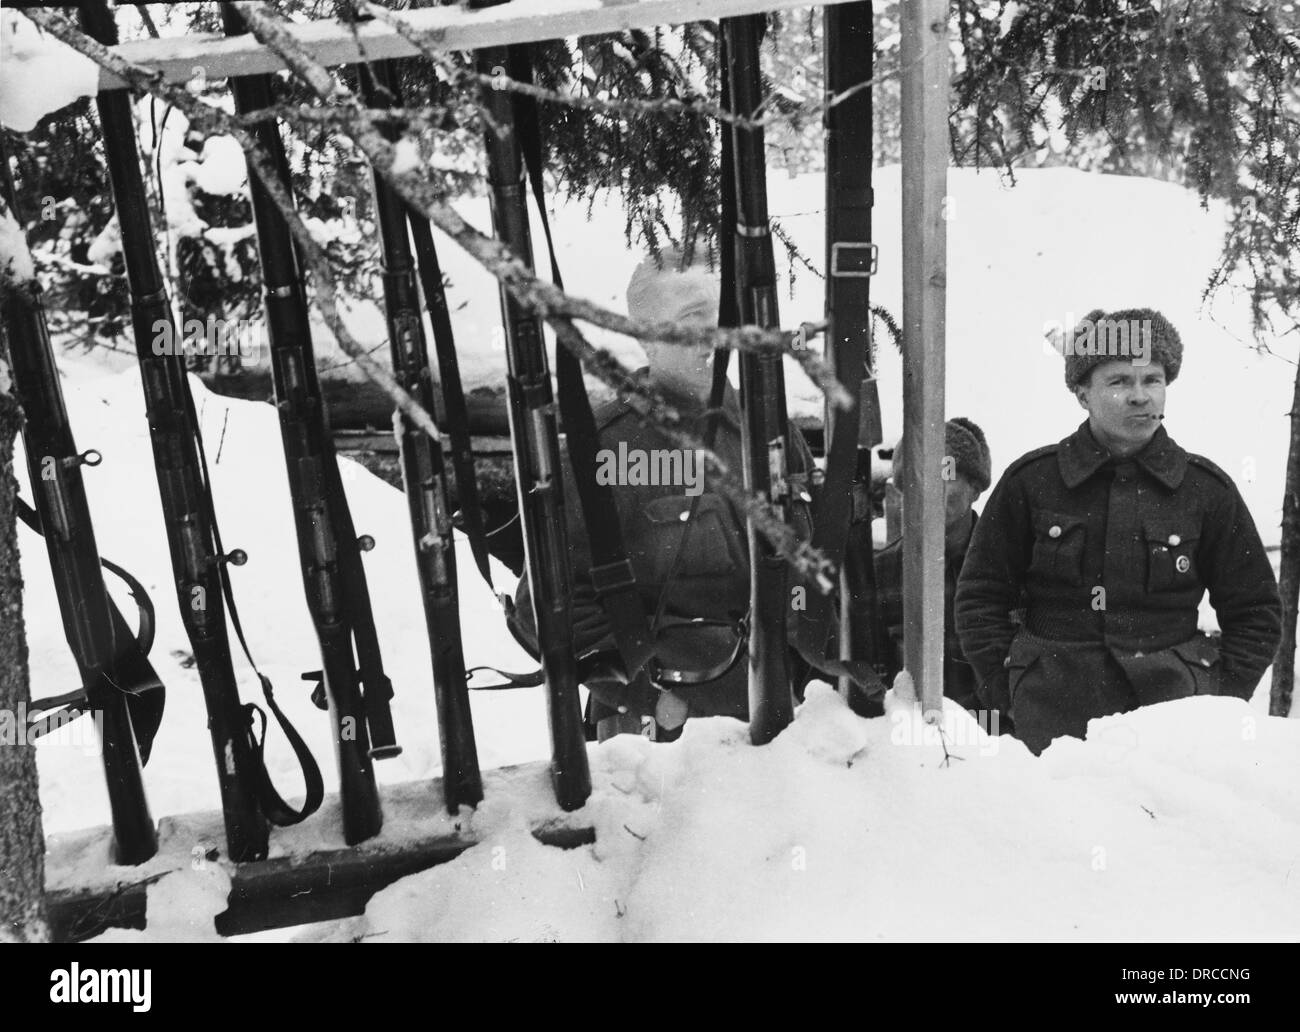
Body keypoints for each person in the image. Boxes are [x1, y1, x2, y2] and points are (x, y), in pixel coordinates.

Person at [506, 248, 825, 741]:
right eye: (690, 321)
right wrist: (650, 695)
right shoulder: (607, 449)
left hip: (782, 718)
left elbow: (815, 566)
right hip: (658, 734)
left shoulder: (772, 432)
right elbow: (546, 603)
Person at [954, 308, 1281, 754]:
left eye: (1153, 380)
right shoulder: (1031, 481)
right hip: (1048, 720)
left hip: (1173, 721)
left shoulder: (1205, 490)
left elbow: (1256, 610)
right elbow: (980, 597)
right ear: (1082, 393)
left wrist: (1217, 698)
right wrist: (1007, 689)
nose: (1139, 396)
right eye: (1119, 382)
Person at [873, 417, 992, 718]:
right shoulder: (880, 573)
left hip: (998, 743)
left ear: (975, 489)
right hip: (912, 744)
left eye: (945, 474)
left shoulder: (1010, 567)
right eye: (916, 477)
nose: (929, 488)